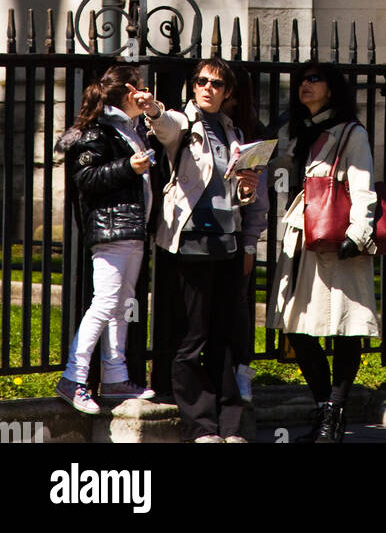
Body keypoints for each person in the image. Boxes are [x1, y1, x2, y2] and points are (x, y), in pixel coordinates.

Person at [133, 58, 262, 443]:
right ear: (193, 87)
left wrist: (247, 188)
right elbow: (164, 127)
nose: (209, 88)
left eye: (217, 84)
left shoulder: (230, 129)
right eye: (202, 81)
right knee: (194, 336)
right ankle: (201, 426)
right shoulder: (183, 122)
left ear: (227, 93)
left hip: (227, 242)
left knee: (225, 335)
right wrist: (153, 108)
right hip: (189, 242)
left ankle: (231, 425)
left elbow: (236, 194)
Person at [267, 64, 379, 444]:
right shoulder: (299, 132)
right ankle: (324, 408)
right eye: (302, 79)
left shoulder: (351, 132)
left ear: (332, 89)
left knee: (346, 326)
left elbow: (363, 186)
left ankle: (333, 415)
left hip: (339, 238)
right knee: (297, 325)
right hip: (303, 236)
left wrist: (359, 235)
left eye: (314, 78)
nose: (305, 85)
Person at [55, 63, 155, 413]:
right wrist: (129, 167)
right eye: (140, 87)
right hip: (112, 230)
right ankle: (73, 376)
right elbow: (86, 179)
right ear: (130, 91)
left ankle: (115, 376)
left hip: (130, 230)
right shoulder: (99, 131)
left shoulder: (129, 128)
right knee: (106, 302)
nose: (144, 92)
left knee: (120, 303)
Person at [222, 68, 268, 405]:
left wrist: (250, 242)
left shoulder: (250, 133)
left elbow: (258, 199)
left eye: (229, 91)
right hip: (195, 235)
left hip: (235, 236)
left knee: (235, 308)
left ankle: (239, 371)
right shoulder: (192, 123)